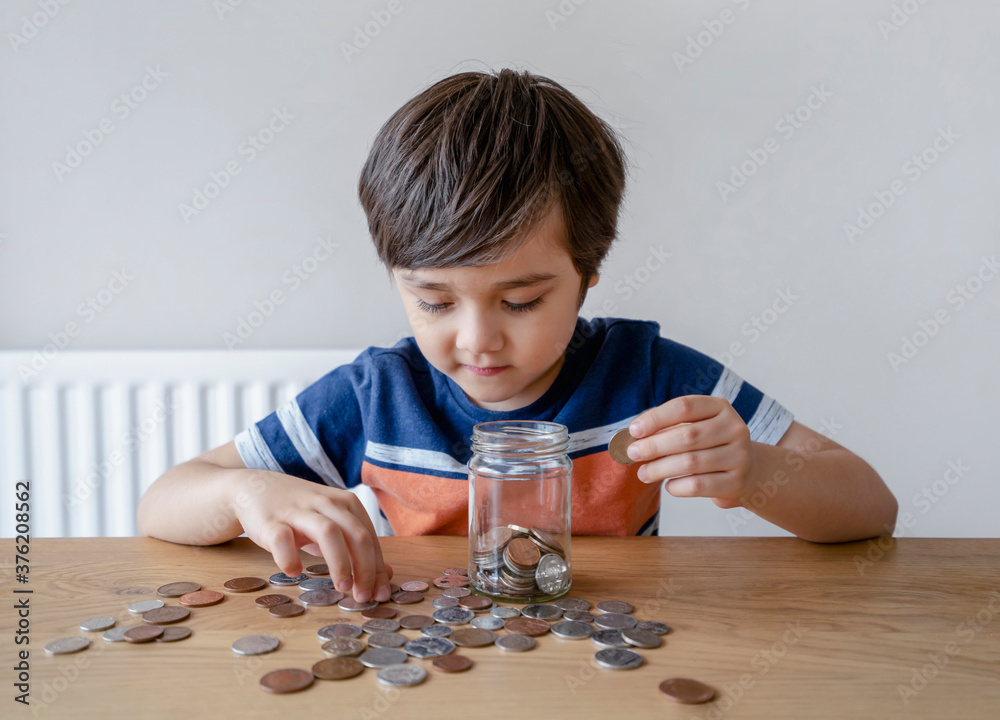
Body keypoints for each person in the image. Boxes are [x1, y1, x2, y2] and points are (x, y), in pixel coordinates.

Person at [137, 68, 898, 605]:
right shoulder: (377, 395)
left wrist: (755, 471)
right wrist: (243, 491)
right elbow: (161, 504)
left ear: (588, 276)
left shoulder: (651, 375)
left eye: (523, 300)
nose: (477, 340)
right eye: (434, 301)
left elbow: (870, 507)